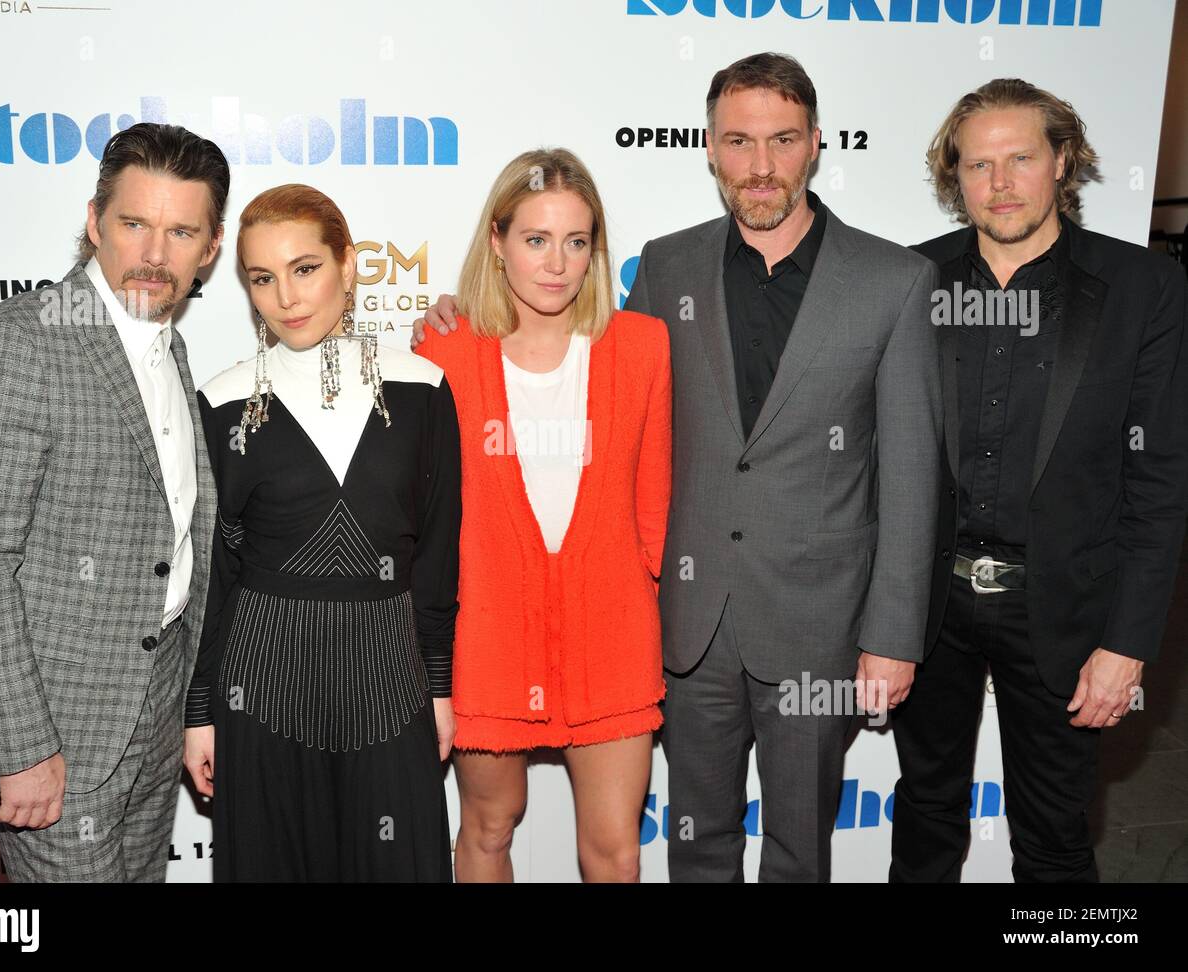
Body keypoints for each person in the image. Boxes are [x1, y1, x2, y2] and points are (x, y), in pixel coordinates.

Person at [417, 52, 941, 883]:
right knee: (695, 844)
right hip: (685, 625)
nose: (759, 165)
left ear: (815, 145)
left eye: (781, 140)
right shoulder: (670, 267)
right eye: (738, 141)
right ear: (708, 148)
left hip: (818, 622)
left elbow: (913, 476)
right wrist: (452, 315)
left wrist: (892, 637)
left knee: (803, 845)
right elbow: (598, 397)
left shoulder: (896, 280)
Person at [891, 79, 1188, 882]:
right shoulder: (911, 282)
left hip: (1063, 606)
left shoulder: (1142, 289)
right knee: (922, 816)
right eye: (978, 165)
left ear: (1062, 160)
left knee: (1054, 839)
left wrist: (1127, 643)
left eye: (1021, 158)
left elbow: (1160, 481)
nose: (1001, 183)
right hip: (932, 606)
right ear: (954, 178)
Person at [0, 123, 226, 881]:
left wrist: (189, 707)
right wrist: (20, 746)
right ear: (93, 223)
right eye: (133, 224)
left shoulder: (170, 347)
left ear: (211, 248)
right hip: (53, 727)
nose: (154, 254)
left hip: (154, 713)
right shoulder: (21, 342)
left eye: (181, 231)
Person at [181, 184, 460, 882]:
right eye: (262, 279)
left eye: (305, 268)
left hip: (391, 681)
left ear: (349, 264)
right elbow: (214, 571)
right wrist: (200, 710)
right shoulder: (219, 401)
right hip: (261, 686)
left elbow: (435, 560)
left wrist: (438, 686)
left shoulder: (423, 387)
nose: (287, 297)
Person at [413, 148, 672, 882]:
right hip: (490, 637)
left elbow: (654, 511)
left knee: (615, 849)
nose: (557, 263)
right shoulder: (448, 351)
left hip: (613, 637)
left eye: (576, 241)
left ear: (595, 250)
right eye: (535, 240)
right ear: (497, 243)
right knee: (489, 828)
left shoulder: (642, 348)